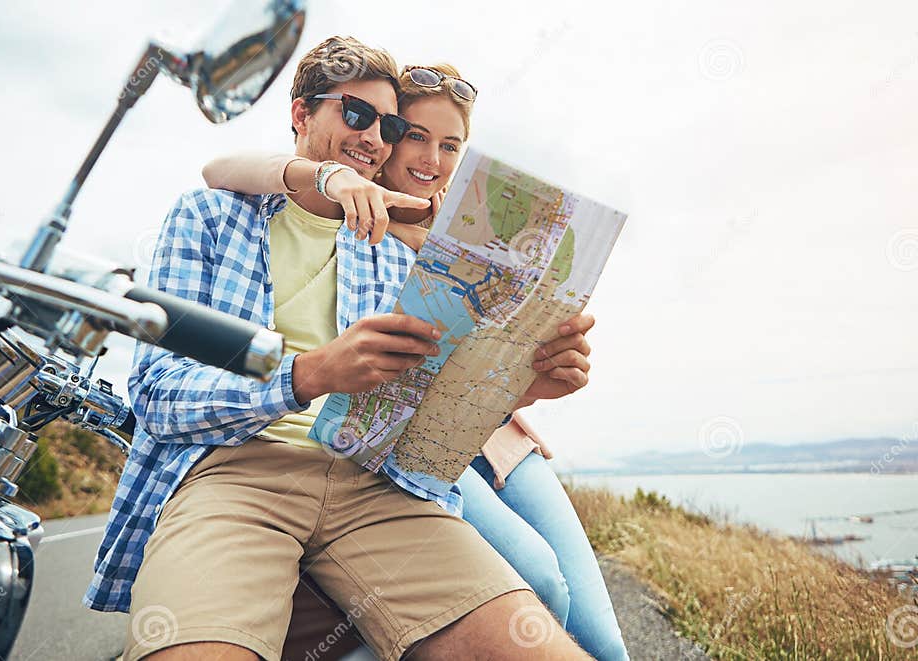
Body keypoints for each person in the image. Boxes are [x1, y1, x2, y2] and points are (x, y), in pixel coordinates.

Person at [85, 36, 597, 661]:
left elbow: (415, 404)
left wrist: (525, 384)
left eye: (387, 125)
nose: (374, 138)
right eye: (356, 115)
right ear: (300, 114)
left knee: (544, 634)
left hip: (374, 480)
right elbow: (158, 395)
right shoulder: (211, 215)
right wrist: (309, 374)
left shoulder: (393, 245)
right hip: (234, 471)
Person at [203, 61, 628, 660]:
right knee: (542, 584)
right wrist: (329, 176)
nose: (432, 158)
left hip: (496, 432)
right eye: (416, 137)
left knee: (605, 639)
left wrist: (546, 367)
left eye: (450, 145)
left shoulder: (465, 231)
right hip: (404, 440)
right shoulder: (352, 218)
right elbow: (221, 168)